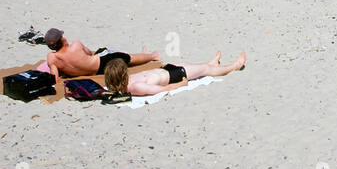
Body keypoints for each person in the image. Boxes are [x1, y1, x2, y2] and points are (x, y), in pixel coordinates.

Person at [103, 51, 246, 97]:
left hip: (167, 70)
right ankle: (235, 66)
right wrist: (181, 84)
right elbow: (162, 90)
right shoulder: (135, 87)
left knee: (193, 65)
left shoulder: (124, 82)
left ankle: (212, 63)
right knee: (205, 70)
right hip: (174, 76)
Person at [35, 29, 160, 79]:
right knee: (128, 57)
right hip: (101, 66)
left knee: (120, 56)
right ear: (63, 39)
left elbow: (54, 78)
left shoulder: (52, 58)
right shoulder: (76, 45)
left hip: (86, 73)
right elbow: (89, 54)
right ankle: (152, 56)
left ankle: (145, 55)